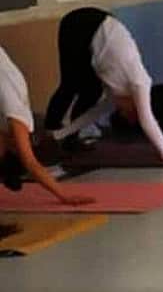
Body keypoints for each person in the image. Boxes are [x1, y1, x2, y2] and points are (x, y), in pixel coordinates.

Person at [44, 8, 163, 162]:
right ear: (136, 107)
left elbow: (92, 114)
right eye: (127, 114)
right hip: (83, 23)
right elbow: (147, 120)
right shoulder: (140, 83)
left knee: (91, 91)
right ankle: (49, 134)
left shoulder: (117, 97)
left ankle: (66, 140)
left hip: (93, 34)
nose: (119, 111)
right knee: (70, 84)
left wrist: (60, 135)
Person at [0, 45, 94, 205]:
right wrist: (63, 195)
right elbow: (32, 164)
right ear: (13, 150)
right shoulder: (19, 123)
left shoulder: (16, 122)